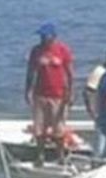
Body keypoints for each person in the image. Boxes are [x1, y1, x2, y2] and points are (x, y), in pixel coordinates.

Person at [25, 23, 74, 165]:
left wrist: (70, 93)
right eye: (41, 36)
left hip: (58, 95)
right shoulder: (36, 51)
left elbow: (69, 74)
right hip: (40, 94)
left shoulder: (63, 50)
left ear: (52, 37)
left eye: (45, 36)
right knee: (39, 128)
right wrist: (27, 90)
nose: (42, 39)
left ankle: (61, 156)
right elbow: (30, 72)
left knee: (58, 128)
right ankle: (39, 156)